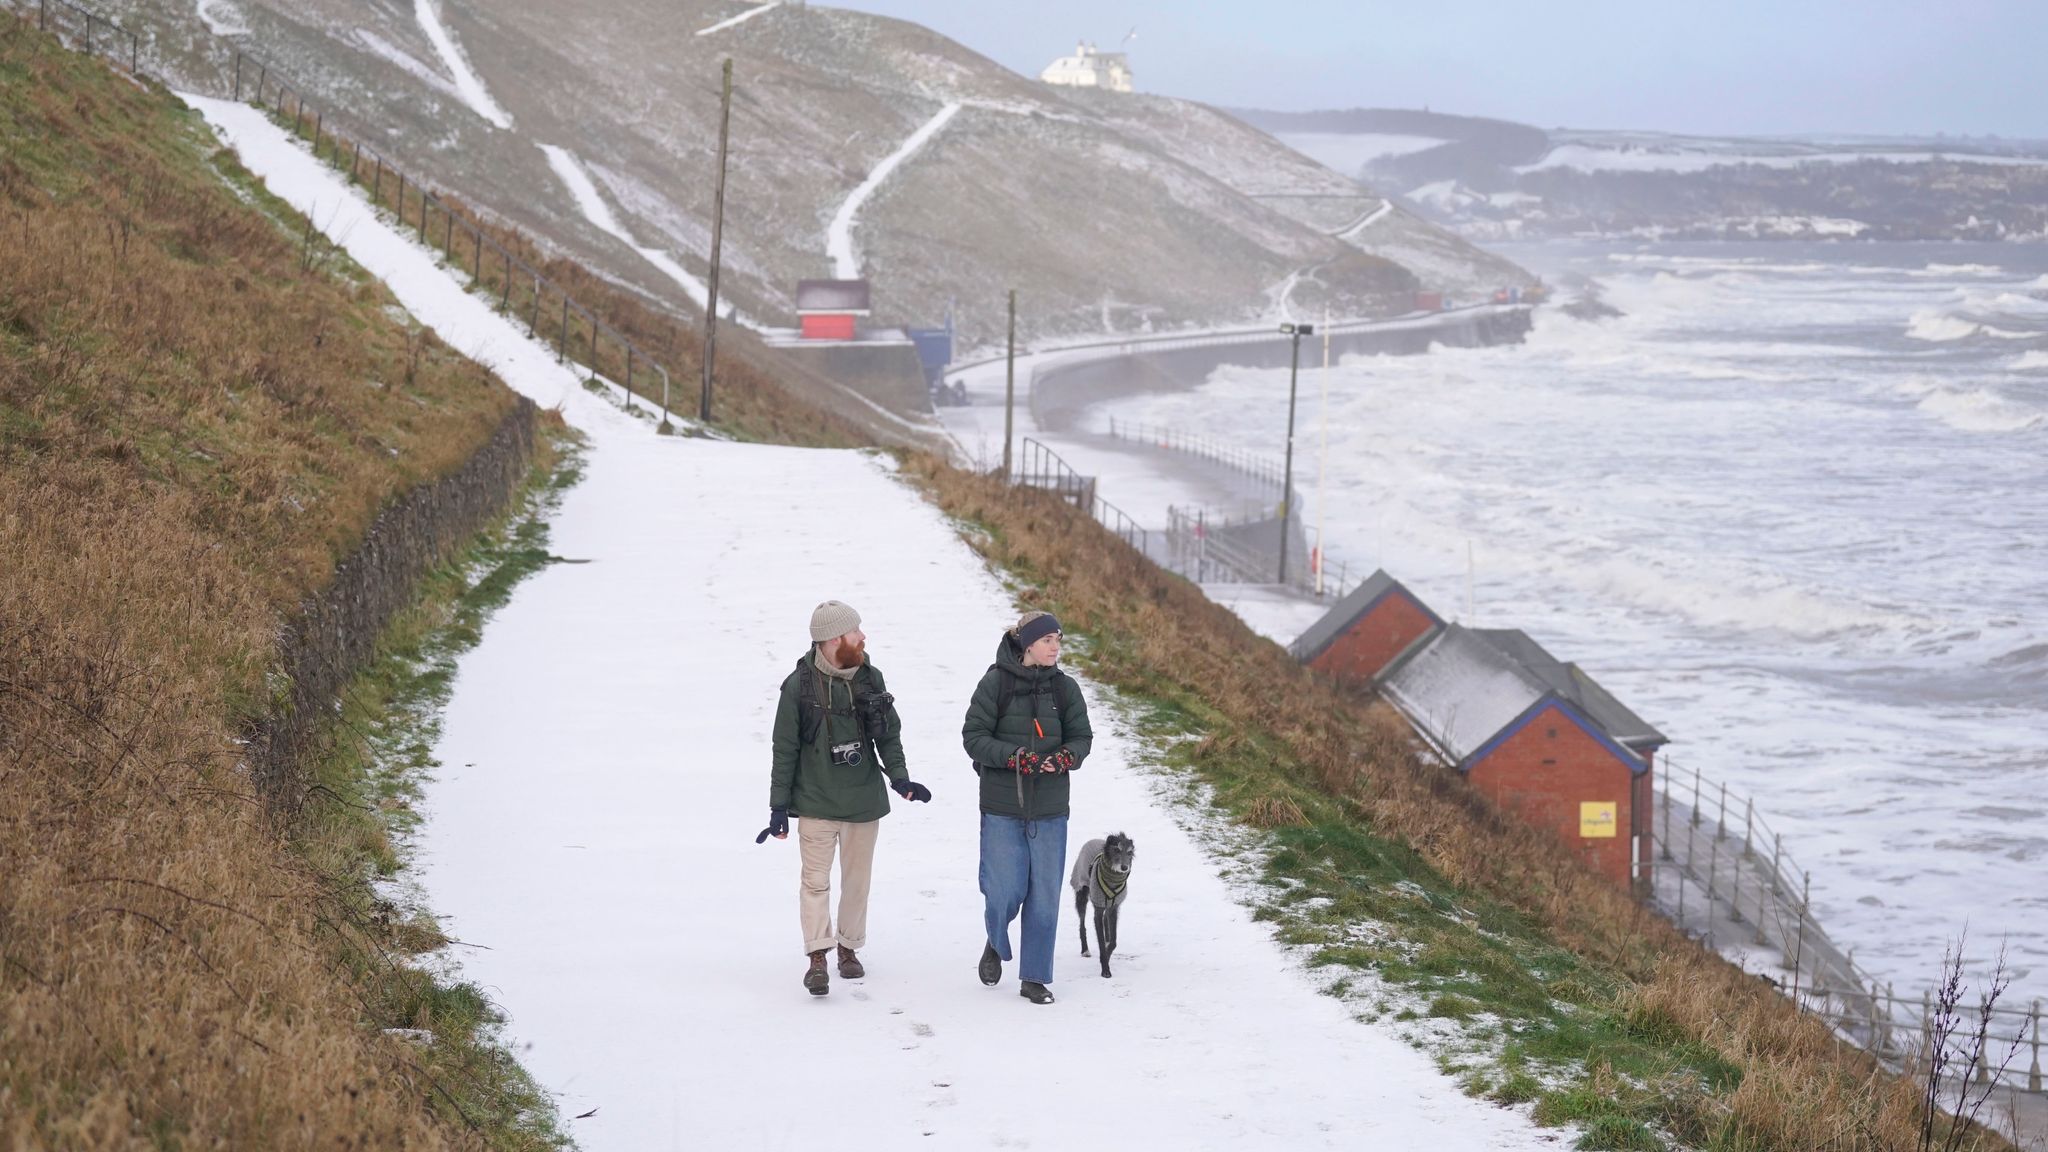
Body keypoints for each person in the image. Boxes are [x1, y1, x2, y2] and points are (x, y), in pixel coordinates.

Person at [759, 600, 931, 997]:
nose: (863, 637)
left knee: (857, 883)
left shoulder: (871, 678)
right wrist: (778, 807)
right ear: (835, 639)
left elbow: (889, 735)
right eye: (856, 632)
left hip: (862, 804)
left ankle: (848, 949)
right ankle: (817, 957)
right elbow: (783, 748)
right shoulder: (797, 686)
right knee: (815, 883)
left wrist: (901, 779)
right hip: (815, 803)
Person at [961, 610, 1092, 1004]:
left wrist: (1066, 757)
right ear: (1028, 644)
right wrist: (1016, 756)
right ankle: (996, 941)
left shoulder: (1065, 689)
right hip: (1002, 805)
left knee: (1045, 896)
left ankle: (1034, 977)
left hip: (1051, 808)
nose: (1056, 647)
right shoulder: (995, 683)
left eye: (1059, 640)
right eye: (1049, 640)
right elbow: (974, 737)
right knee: (1003, 890)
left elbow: (1082, 737)